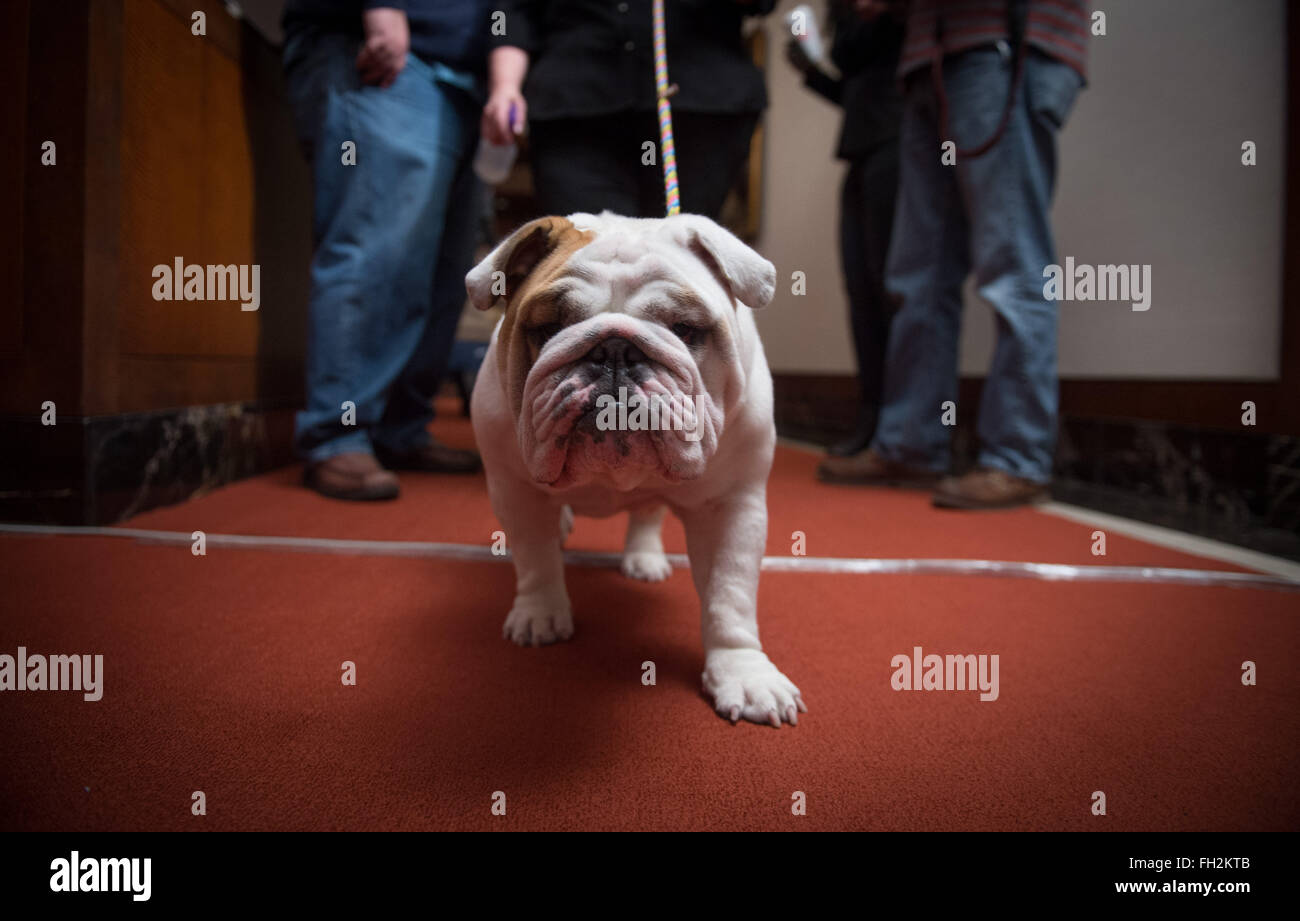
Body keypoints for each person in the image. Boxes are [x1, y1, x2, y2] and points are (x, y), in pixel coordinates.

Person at [819, 0, 1089, 509]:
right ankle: (911, 443)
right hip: (930, 61)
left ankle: (1018, 454)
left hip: (1003, 45)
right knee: (918, 274)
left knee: (1013, 263)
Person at [281, 1, 486, 501]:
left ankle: (400, 428)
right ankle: (338, 433)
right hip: (389, 54)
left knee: (442, 271)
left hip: (464, 83)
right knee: (379, 252)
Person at [480, 0, 775, 221]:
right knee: (589, 256)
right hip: (574, 116)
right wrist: (505, 85)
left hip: (699, 109)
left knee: (678, 265)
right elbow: (512, 11)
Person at [787, 0, 905, 459]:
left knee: (891, 288)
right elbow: (858, 91)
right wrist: (811, 72)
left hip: (900, 141)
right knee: (861, 290)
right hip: (862, 146)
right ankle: (873, 415)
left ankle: (902, 422)